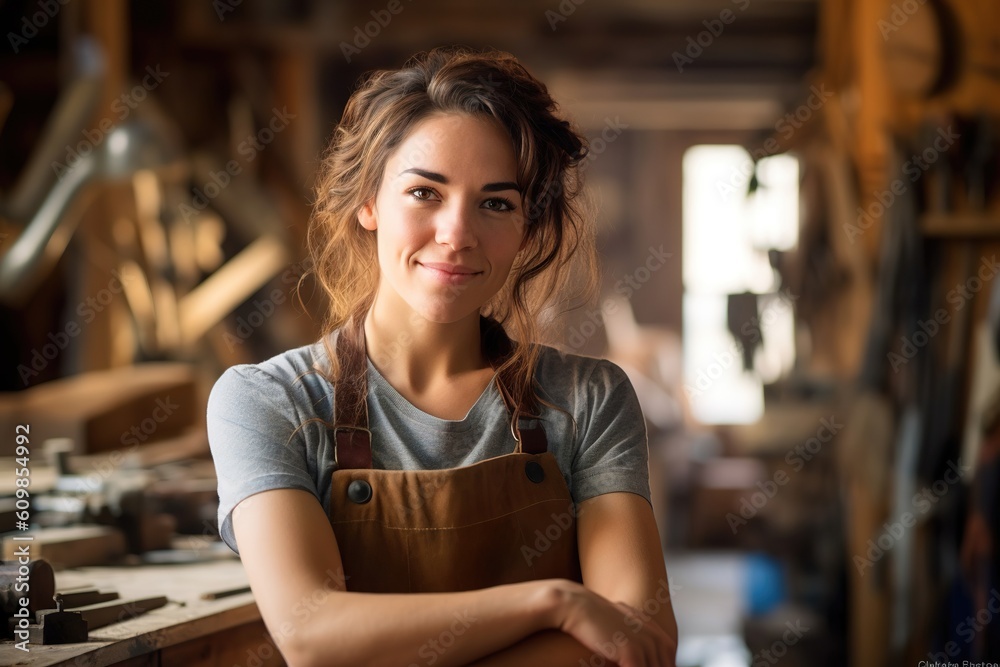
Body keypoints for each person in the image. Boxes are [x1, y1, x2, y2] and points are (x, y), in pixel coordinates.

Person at [207, 47, 678, 667]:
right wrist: (553, 604)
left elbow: (636, 646)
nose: (457, 234)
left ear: (528, 230)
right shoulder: (269, 401)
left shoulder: (589, 399)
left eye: (496, 203)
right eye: (425, 192)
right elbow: (311, 633)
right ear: (368, 203)